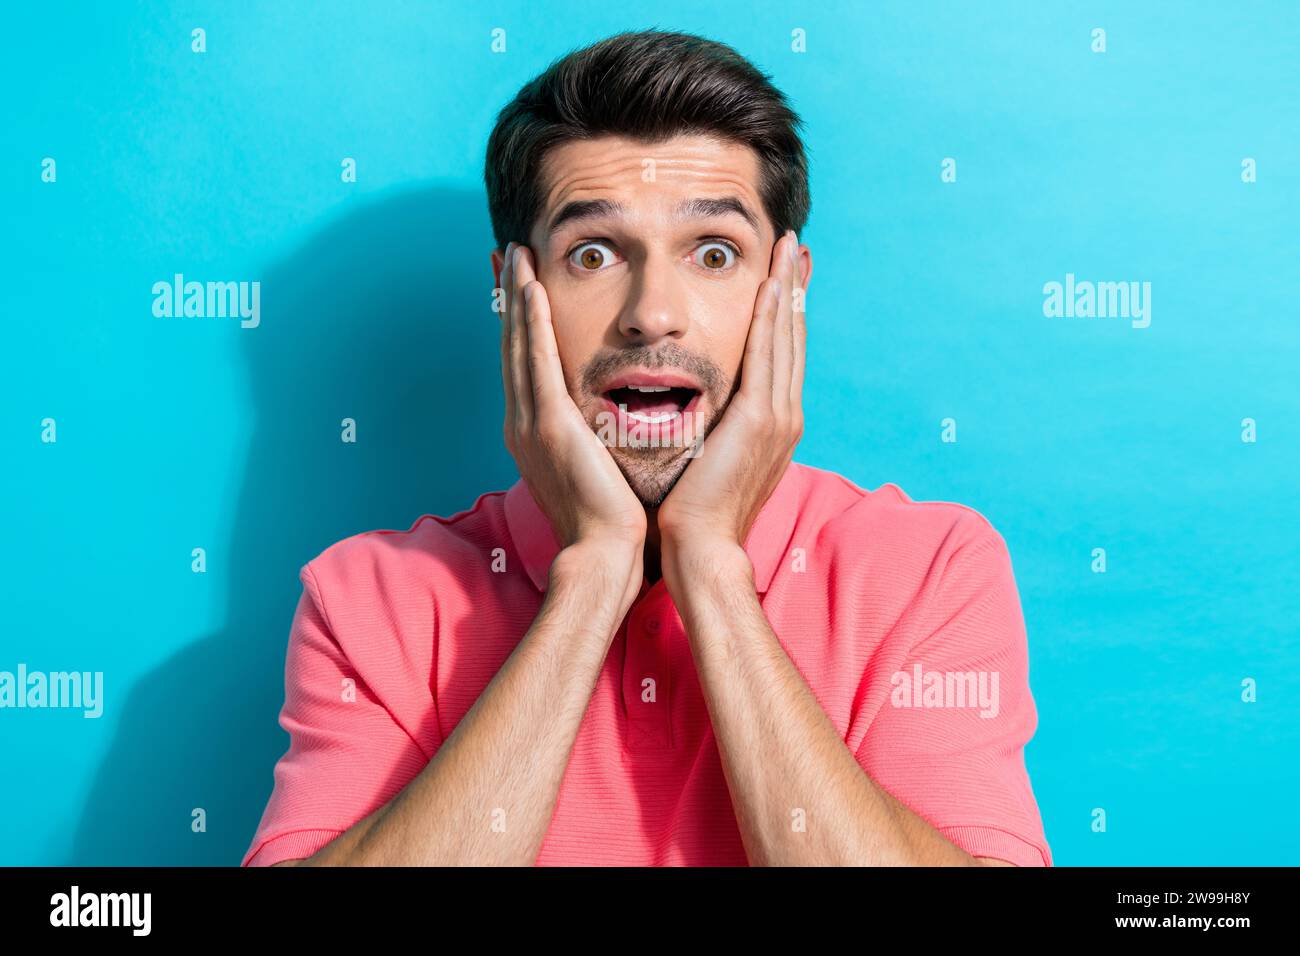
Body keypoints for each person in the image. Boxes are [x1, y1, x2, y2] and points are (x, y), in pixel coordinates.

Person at [241, 29, 1052, 867]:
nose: (652, 313)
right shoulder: (367, 599)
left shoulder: (931, 570)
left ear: (789, 290)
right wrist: (593, 573)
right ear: (511, 293)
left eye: (713, 253)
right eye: (593, 254)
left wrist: (707, 561)